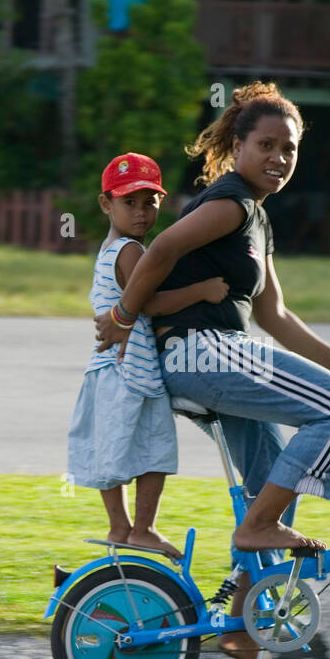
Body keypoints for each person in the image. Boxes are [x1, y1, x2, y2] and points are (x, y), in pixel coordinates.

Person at [94, 84, 330, 659]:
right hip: (205, 353)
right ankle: (253, 536)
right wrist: (122, 317)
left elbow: (276, 317)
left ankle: (241, 622)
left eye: (290, 149)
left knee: (277, 474)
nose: (278, 158)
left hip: (223, 357)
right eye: (266, 145)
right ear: (238, 146)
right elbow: (164, 246)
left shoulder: (256, 217)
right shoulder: (228, 202)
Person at [67, 152, 229, 560]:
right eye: (129, 203)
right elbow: (151, 303)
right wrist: (203, 290)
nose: (141, 213)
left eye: (149, 203)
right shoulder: (131, 253)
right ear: (106, 204)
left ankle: (120, 527)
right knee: (153, 449)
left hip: (106, 369)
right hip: (132, 370)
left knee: (113, 447)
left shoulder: (109, 249)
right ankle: (143, 529)